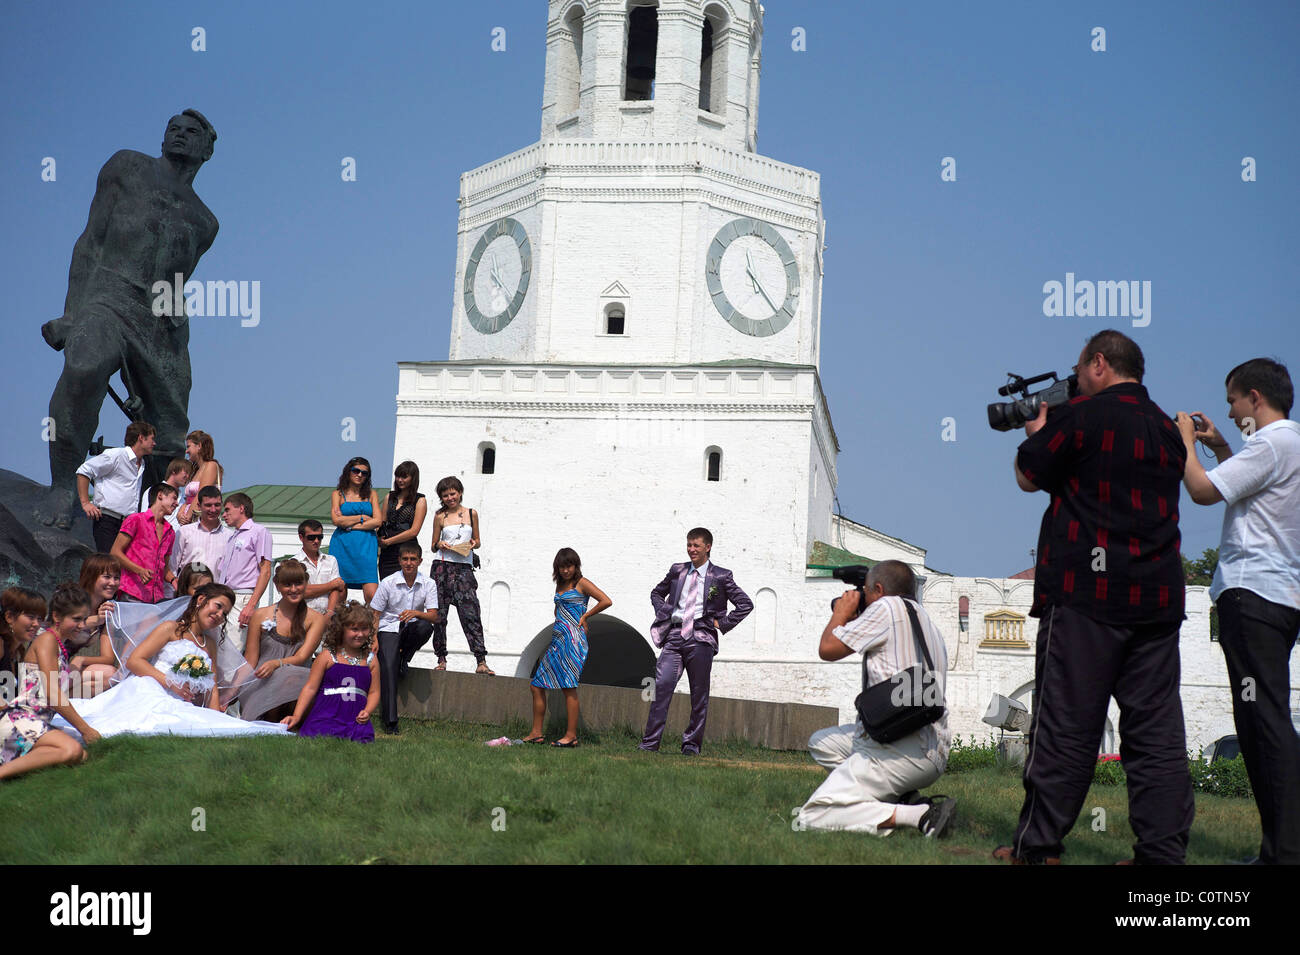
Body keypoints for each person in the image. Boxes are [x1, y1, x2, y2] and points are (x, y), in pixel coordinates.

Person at [997, 330, 1194, 865]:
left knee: (1065, 727)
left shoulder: (1081, 418)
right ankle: (1161, 855)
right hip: (1156, 601)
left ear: (1100, 363)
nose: (1077, 380)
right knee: (1156, 735)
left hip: (1085, 596)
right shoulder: (1166, 429)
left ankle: (1038, 847)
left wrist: (1038, 431)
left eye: (1081, 369)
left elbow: (1028, 475)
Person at [38, 110, 219, 530]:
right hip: (109, 293)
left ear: (207, 150)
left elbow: (178, 276)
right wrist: (72, 313)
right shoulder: (127, 167)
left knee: (170, 434)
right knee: (84, 369)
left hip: (160, 319)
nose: (179, 134)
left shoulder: (205, 221)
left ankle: (154, 517)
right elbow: (90, 241)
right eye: (173, 128)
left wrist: (174, 317)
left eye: (191, 132)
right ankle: (63, 485)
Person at [1176, 357, 1300, 865]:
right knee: (1263, 719)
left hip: (1251, 596)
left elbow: (1203, 491)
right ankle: (1277, 849)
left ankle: (1285, 851)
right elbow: (1249, 488)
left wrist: (1185, 442)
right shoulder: (1288, 446)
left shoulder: (1272, 444)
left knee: (1263, 724)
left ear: (1254, 397)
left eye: (1232, 400)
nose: (1228, 410)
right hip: (1281, 599)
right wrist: (1223, 447)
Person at [796, 561, 956, 837]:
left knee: (812, 815)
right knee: (822, 743)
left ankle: (919, 816)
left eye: (867, 593)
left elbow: (828, 648)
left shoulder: (885, 607)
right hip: (932, 747)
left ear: (879, 590)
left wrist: (841, 613)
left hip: (898, 748)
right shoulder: (926, 621)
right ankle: (906, 799)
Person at [55, 583, 288, 739]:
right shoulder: (170, 629)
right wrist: (170, 682)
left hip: (180, 700)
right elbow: (135, 661)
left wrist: (216, 718)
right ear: (201, 600)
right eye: (218, 607)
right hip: (151, 688)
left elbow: (213, 686)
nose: (219, 616)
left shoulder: (210, 644)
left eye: (225, 613)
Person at [639, 527, 753, 755]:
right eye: (689, 545)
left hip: (701, 637)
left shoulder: (721, 576)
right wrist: (664, 611)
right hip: (674, 636)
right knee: (661, 687)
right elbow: (656, 593)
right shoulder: (678, 570)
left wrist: (722, 623)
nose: (691, 549)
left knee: (699, 695)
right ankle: (650, 744)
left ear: (707, 547)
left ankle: (691, 746)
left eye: (696, 546)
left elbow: (745, 604)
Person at [1, 587, 95, 781]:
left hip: (33, 719)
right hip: (19, 718)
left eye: (85, 619)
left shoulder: (54, 645)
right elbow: (52, 692)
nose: (82, 625)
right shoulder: (47, 640)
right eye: (76, 619)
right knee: (72, 749)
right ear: (57, 616)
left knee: (81, 755)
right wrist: (86, 730)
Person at [524, 548, 612, 747]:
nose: (565, 570)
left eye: (569, 566)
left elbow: (606, 601)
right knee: (536, 685)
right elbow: (559, 609)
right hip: (557, 640)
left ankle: (571, 736)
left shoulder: (581, 583)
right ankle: (536, 733)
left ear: (575, 566)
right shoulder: (560, 584)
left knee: (568, 686)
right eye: (562, 567)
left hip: (573, 640)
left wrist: (585, 616)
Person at [238, 560, 325, 722]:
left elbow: (301, 658)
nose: (294, 589)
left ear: (306, 583)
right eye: (287, 584)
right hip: (263, 679)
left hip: (296, 682)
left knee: (288, 676)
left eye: (298, 583)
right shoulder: (260, 615)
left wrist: (276, 664)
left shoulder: (316, 619)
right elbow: (250, 659)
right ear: (277, 585)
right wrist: (232, 690)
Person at [281, 602, 380, 743]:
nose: (360, 634)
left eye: (364, 629)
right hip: (327, 715)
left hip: (355, 717)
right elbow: (310, 688)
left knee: (361, 738)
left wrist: (368, 711)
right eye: (354, 629)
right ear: (342, 629)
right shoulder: (327, 656)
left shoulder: (370, 659)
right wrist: (297, 716)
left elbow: (374, 692)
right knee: (321, 734)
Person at [370, 542, 439, 735]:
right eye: (405, 559)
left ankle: (404, 658)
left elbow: (434, 616)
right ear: (399, 560)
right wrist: (374, 639)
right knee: (388, 668)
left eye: (413, 559)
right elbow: (375, 613)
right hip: (388, 628)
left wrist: (416, 613)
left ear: (420, 561)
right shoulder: (388, 582)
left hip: (411, 628)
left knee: (426, 627)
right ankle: (390, 722)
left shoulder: (429, 583)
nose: (409, 563)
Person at [428, 476, 491, 674]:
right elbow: (433, 545)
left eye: (452, 493)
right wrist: (440, 543)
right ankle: (441, 658)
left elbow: (478, 541)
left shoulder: (472, 513)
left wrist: (473, 544)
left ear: (460, 492)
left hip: (464, 568)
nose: (450, 498)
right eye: (445, 495)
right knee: (440, 615)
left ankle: (481, 660)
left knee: (471, 613)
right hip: (442, 567)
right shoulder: (440, 516)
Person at [73, 421, 155, 552]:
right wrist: (85, 503)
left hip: (128, 525)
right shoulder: (116, 455)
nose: (154, 443)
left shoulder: (143, 464)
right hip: (108, 521)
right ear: (141, 438)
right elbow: (84, 471)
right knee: (108, 561)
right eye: (151, 439)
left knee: (122, 564)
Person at [218, 492, 272, 652]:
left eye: (227, 510)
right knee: (220, 646)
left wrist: (250, 605)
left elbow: (266, 570)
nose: (224, 515)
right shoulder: (232, 536)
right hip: (225, 595)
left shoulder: (259, 532)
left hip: (243, 597)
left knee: (233, 649)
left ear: (241, 508)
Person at [111, 483, 179, 602]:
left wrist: (174, 580)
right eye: (174, 498)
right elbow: (115, 552)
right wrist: (139, 570)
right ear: (160, 495)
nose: (177, 503)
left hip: (156, 598)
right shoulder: (135, 520)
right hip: (132, 592)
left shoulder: (170, 532)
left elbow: (164, 568)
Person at [68, 554, 124, 696]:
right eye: (107, 577)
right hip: (50, 666)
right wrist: (96, 620)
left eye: (116, 578)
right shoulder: (71, 600)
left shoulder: (108, 611)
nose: (112, 582)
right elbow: (60, 629)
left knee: (112, 675)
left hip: (73, 671)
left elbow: (108, 658)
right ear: (91, 576)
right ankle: (50, 697)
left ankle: (60, 699)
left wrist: (81, 659)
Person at [329, 457, 381, 604]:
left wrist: (349, 524)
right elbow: (336, 520)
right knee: (339, 593)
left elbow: (378, 521)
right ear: (348, 471)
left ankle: (372, 621)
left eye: (364, 473)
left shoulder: (372, 494)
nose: (359, 475)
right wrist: (362, 517)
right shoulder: (338, 494)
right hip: (342, 546)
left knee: (372, 595)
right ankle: (338, 620)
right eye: (356, 471)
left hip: (366, 547)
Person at [378, 461, 427, 581]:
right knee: (386, 584)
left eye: (404, 477)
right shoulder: (389, 496)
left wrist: (389, 541)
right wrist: (380, 538)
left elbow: (414, 531)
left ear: (413, 478)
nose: (400, 480)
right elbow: (382, 523)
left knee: (405, 585)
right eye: (398, 476)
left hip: (407, 551)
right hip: (387, 552)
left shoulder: (420, 500)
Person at [172, 485, 231, 583]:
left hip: (216, 590)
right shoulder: (184, 532)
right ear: (199, 506)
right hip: (188, 591)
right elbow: (172, 567)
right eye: (208, 505)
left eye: (217, 505)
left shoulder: (230, 536)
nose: (213, 509)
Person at [293, 520, 346, 618]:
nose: (316, 541)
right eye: (311, 537)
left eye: (320, 537)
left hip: (328, 617)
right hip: (302, 616)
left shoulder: (331, 560)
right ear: (301, 537)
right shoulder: (294, 562)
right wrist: (331, 585)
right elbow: (301, 592)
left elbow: (337, 589)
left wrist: (329, 614)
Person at [177, 429, 222, 525]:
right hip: (189, 522)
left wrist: (188, 517)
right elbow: (188, 500)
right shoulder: (195, 471)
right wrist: (180, 513)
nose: (186, 451)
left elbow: (202, 494)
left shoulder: (211, 465)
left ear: (199, 446)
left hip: (200, 521)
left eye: (188, 446)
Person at [140, 458, 194, 530]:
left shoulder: (184, 499)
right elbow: (144, 517)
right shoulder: (154, 490)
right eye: (186, 472)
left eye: (189, 474)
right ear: (174, 470)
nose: (188, 476)